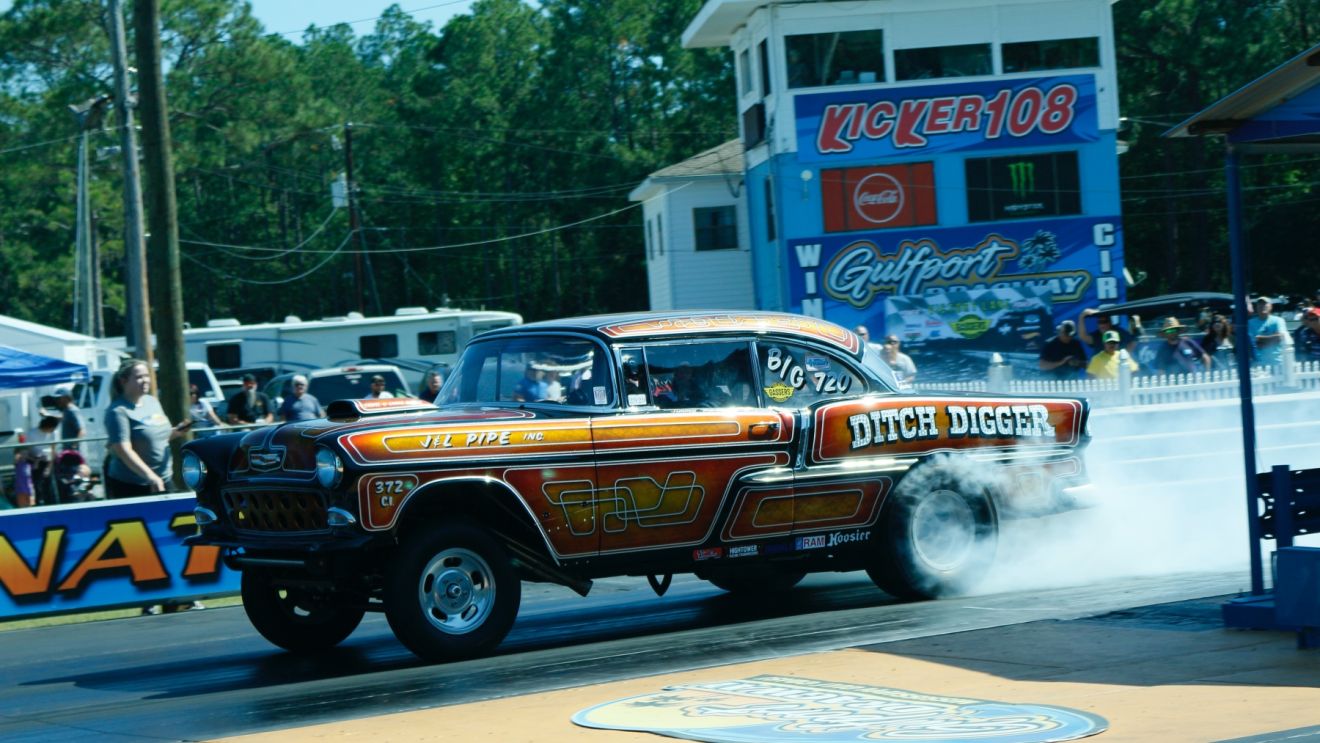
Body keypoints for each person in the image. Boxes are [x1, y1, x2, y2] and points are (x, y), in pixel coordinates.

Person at [104, 359, 191, 498]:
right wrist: (150, 477)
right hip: (133, 485)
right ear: (123, 381)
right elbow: (123, 450)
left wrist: (176, 431)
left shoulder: (152, 401)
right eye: (139, 377)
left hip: (163, 478)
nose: (145, 380)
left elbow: (155, 437)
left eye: (147, 376)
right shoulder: (117, 411)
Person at [1247, 296, 1291, 369]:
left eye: (1265, 304)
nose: (1262, 306)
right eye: (1259, 304)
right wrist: (1273, 338)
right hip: (1259, 364)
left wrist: (1261, 339)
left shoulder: (1278, 320)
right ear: (1256, 307)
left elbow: (1280, 337)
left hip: (1277, 363)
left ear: (1271, 306)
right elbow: (1253, 342)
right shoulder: (1250, 323)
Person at [51, 384, 85, 451]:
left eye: (59, 398)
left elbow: (82, 430)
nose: (57, 401)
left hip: (73, 452)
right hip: (67, 450)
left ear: (66, 398)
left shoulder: (72, 410)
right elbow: (62, 418)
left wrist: (74, 445)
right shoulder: (66, 410)